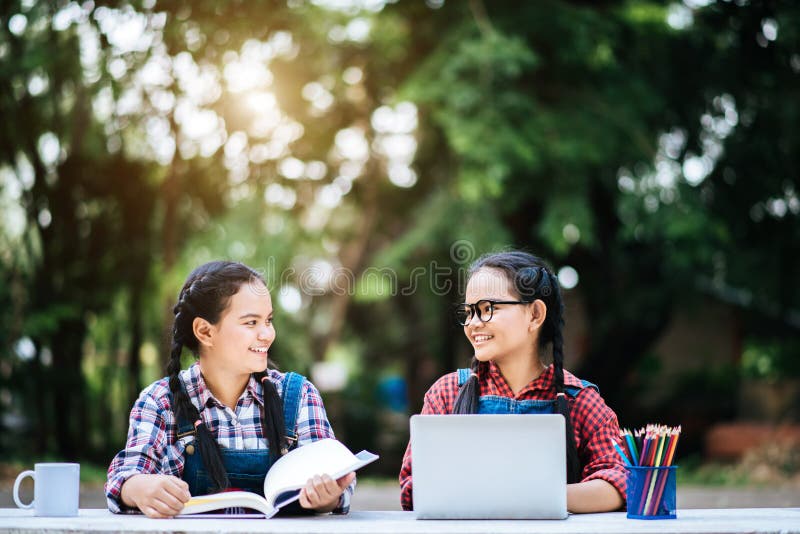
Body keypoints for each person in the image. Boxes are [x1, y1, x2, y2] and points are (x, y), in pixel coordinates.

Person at [105, 261, 355, 518]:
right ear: (205, 331)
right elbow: (124, 477)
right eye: (251, 323)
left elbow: (340, 485)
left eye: (268, 320)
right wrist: (138, 488)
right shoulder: (159, 402)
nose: (267, 334)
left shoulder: (299, 396)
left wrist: (327, 497)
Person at [399, 251, 626, 513]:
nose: (473, 323)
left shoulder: (580, 400)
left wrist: (529, 497)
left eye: (487, 309)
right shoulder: (447, 394)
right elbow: (413, 487)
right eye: (469, 312)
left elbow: (619, 482)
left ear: (535, 315)